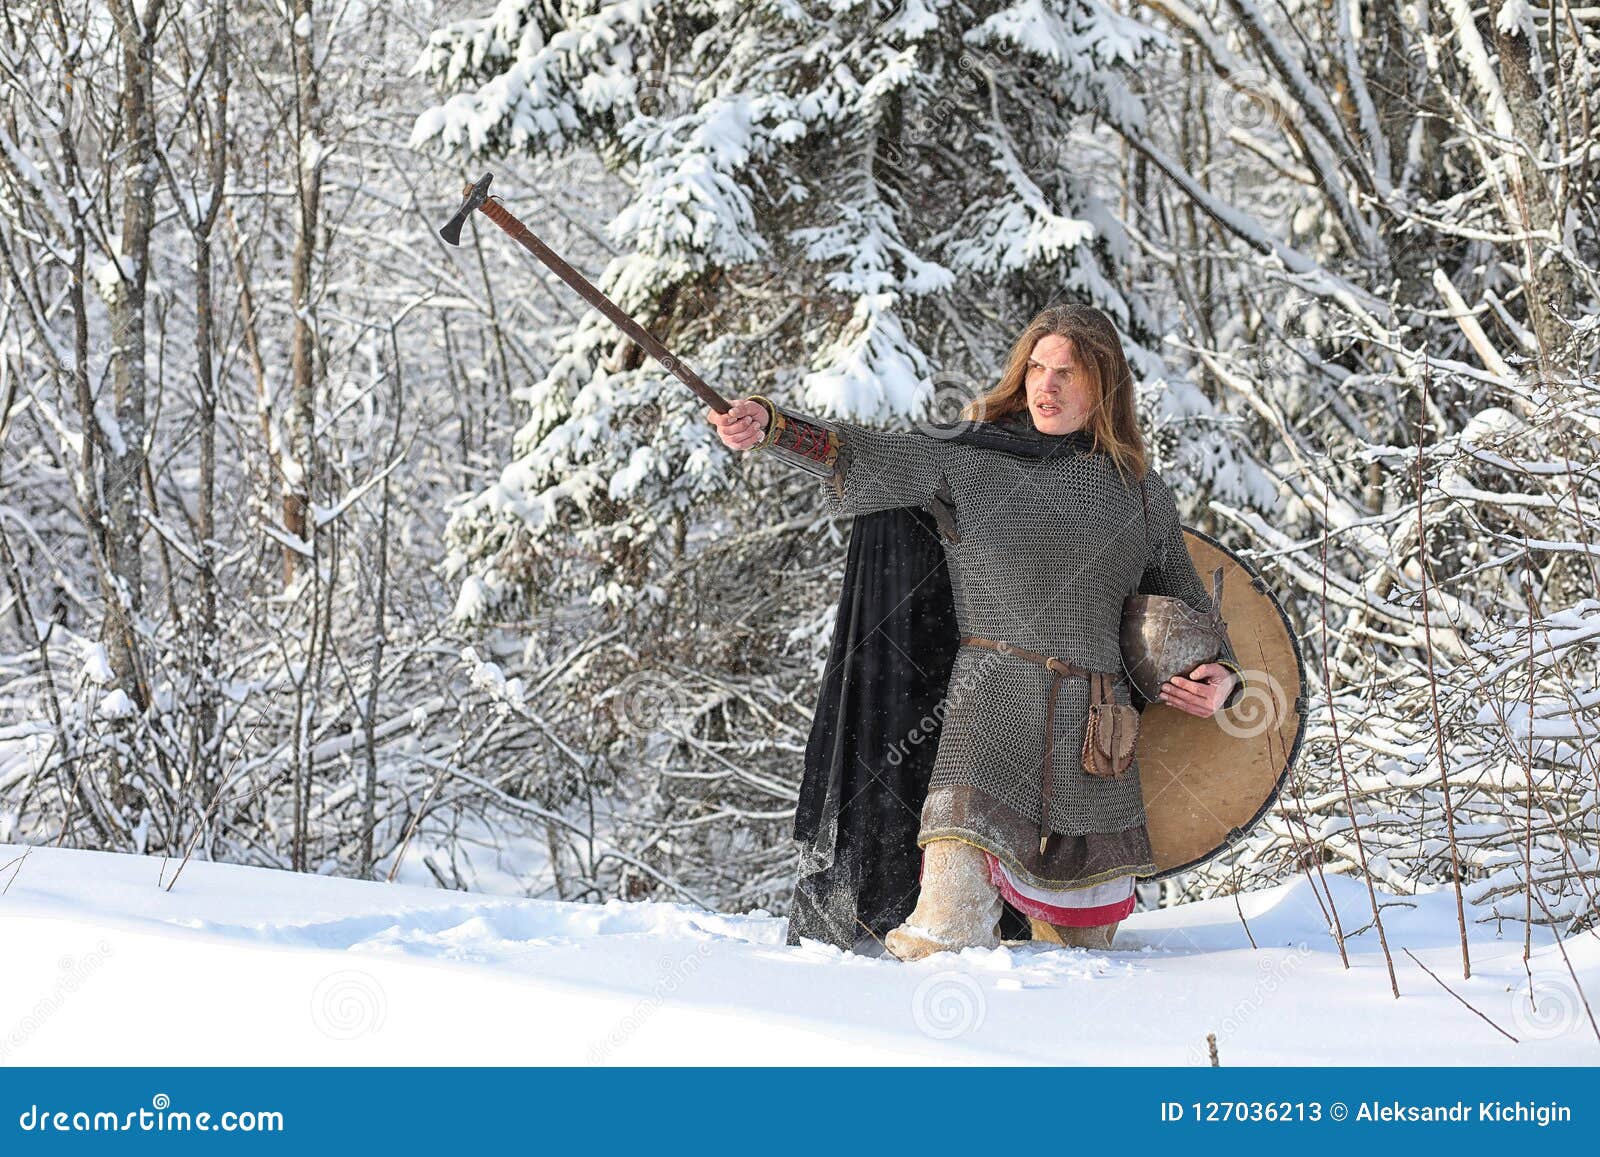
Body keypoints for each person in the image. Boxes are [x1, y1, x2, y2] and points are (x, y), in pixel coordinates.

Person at [708, 304, 1245, 960]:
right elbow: (861, 454)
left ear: (1103, 385)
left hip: (1098, 745)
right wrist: (774, 426)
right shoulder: (969, 462)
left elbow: (1192, 609)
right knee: (942, 938)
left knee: (1085, 962)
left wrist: (1223, 675)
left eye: (1066, 373)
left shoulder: (1140, 496)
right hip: (988, 722)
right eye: (1036, 369)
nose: (1045, 386)